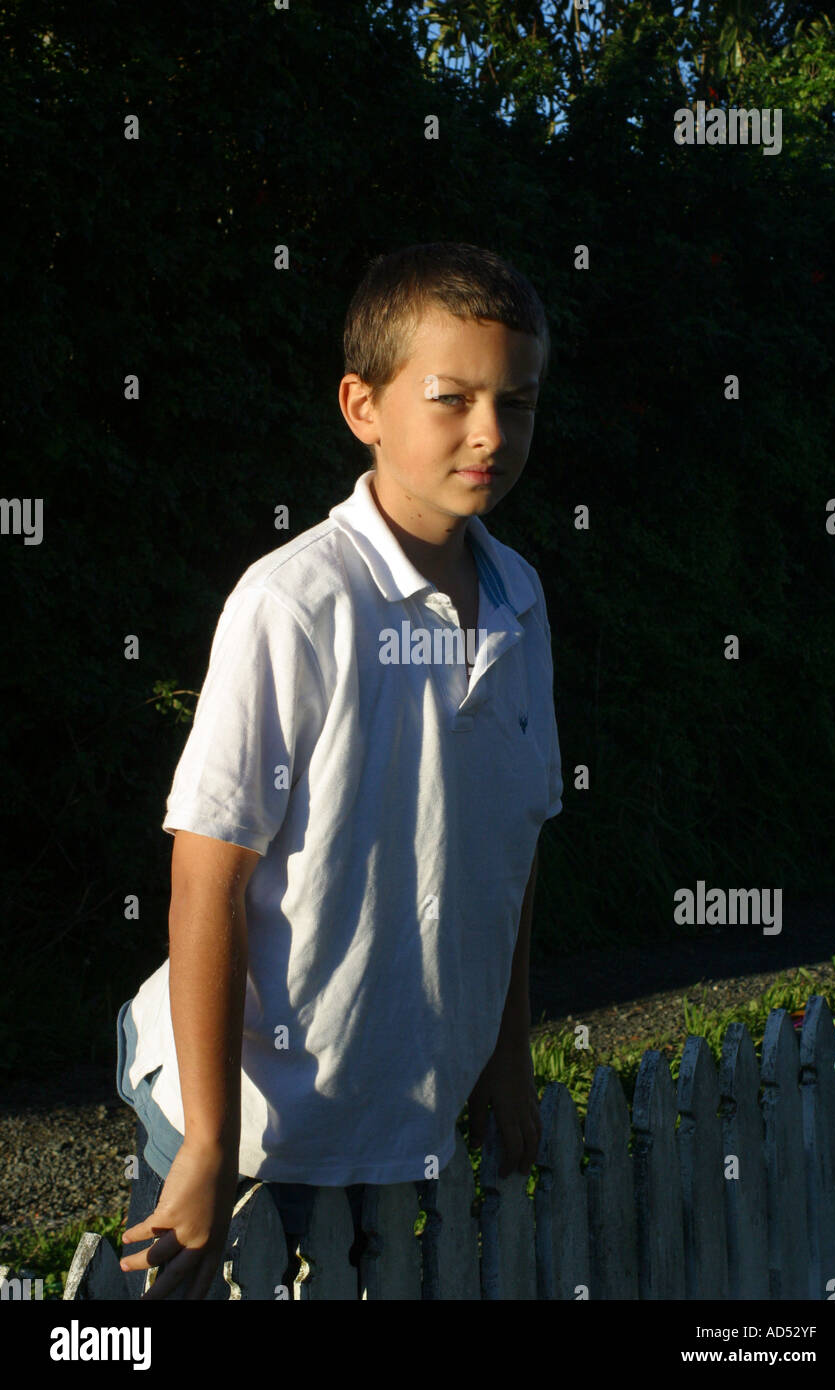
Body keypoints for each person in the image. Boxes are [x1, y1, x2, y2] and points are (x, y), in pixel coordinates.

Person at [115, 241, 564, 1300]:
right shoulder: (294, 604)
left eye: (519, 401)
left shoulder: (522, 602)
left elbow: (515, 850)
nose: (489, 433)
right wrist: (206, 1149)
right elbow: (206, 877)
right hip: (252, 1128)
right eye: (450, 398)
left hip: (408, 1119)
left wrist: (504, 1060)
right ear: (362, 405)